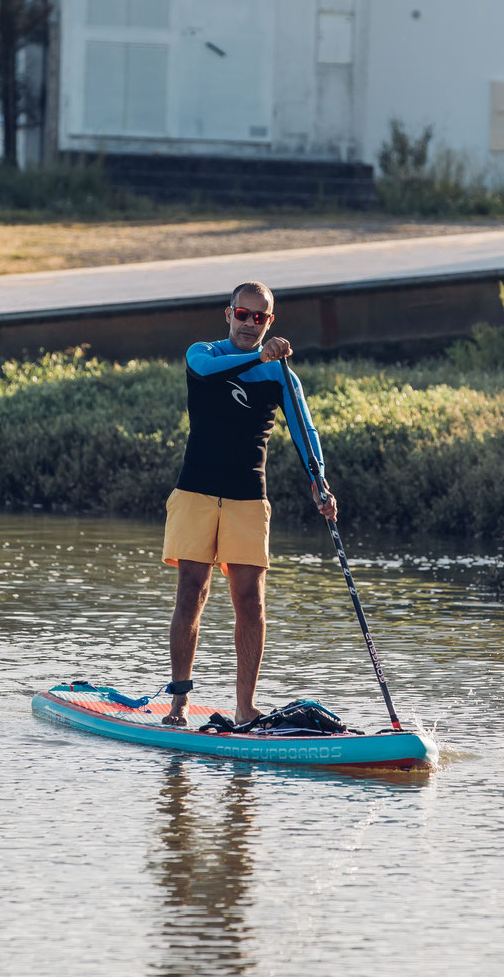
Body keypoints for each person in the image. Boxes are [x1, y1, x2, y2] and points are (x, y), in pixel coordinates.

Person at [161, 281, 336, 726]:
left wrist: (319, 481)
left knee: (251, 602)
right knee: (191, 592)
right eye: (243, 314)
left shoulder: (280, 375)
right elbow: (211, 371)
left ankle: (244, 706)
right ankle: (180, 701)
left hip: (247, 497)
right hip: (195, 491)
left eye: (260, 318)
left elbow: (304, 430)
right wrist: (259, 357)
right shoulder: (202, 355)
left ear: (269, 322)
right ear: (229, 313)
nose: (249, 324)